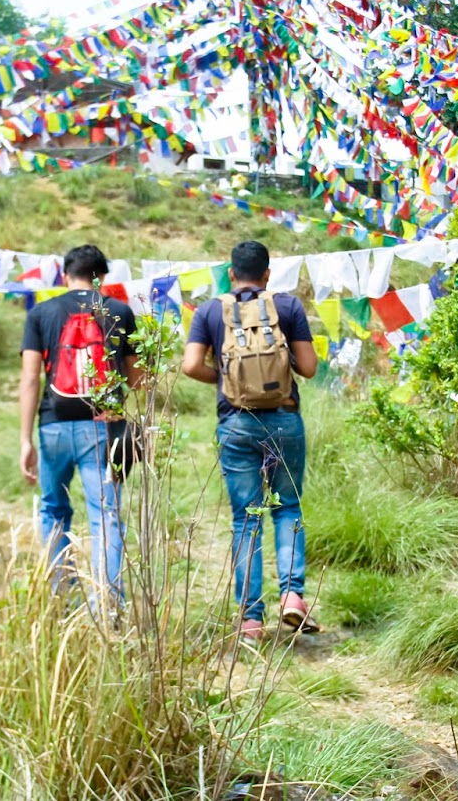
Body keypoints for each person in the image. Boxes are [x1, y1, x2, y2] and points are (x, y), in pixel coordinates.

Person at [182, 240, 319, 641]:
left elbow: (191, 365)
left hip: (236, 423)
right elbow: (308, 367)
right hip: (284, 420)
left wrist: (224, 380)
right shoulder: (287, 307)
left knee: (247, 519)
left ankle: (251, 620)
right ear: (267, 274)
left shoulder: (209, 309)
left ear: (229, 272)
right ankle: (293, 597)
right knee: (288, 508)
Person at [19, 244, 142, 604]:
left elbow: (29, 379)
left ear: (64, 275)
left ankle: (59, 598)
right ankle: (106, 605)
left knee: (53, 509)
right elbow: (136, 380)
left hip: (53, 425)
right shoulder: (119, 311)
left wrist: (25, 439)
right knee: (105, 517)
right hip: (102, 427)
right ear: (102, 277)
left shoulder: (41, 313)